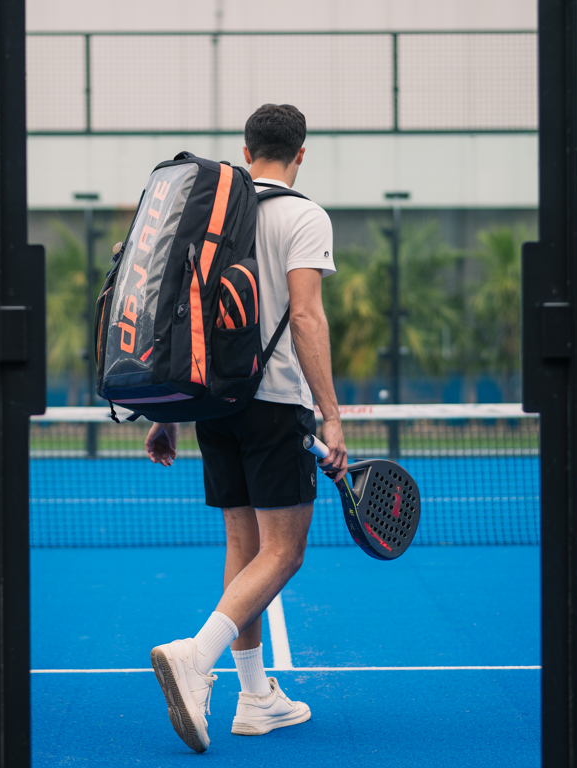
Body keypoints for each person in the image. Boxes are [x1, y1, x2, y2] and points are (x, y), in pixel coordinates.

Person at [143, 104, 348, 753]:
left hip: (214, 402)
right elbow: (307, 317)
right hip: (275, 402)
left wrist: (167, 414)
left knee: (244, 545)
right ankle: (196, 656)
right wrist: (332, 415)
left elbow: (174, 317)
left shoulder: (211, 216)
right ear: (301, 153)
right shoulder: (304, 216)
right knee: (283, 552)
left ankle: (257, 699)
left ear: (246, 149)